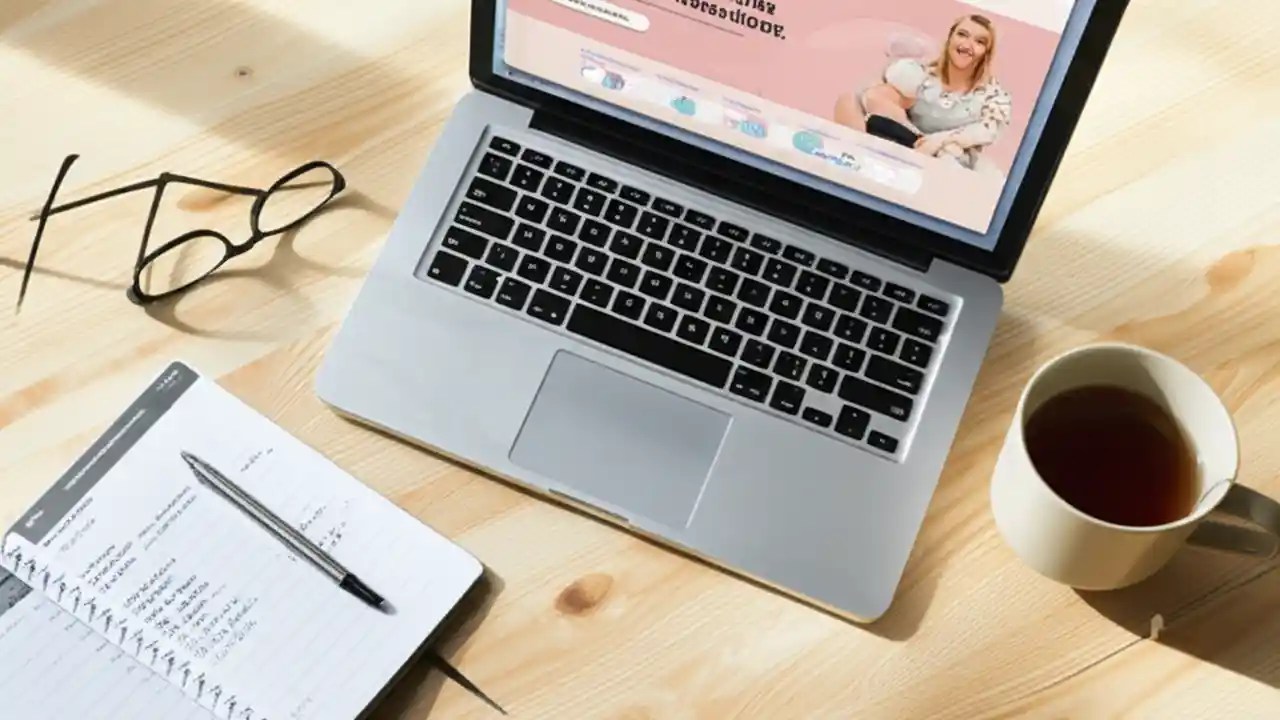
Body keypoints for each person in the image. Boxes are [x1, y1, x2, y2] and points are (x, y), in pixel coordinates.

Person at [833, 15, 1013, 171]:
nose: (967, 45)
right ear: (950, 39)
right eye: (962, 35)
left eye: (979, 42)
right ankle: (860, 162)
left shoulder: (992, 95)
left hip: (948, 156)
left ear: (986, 53)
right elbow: (875, 97)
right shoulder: (923, 75)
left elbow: (986, 131)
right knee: (849, 101)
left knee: (951, 155)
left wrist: (937, 142)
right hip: (904, 141)